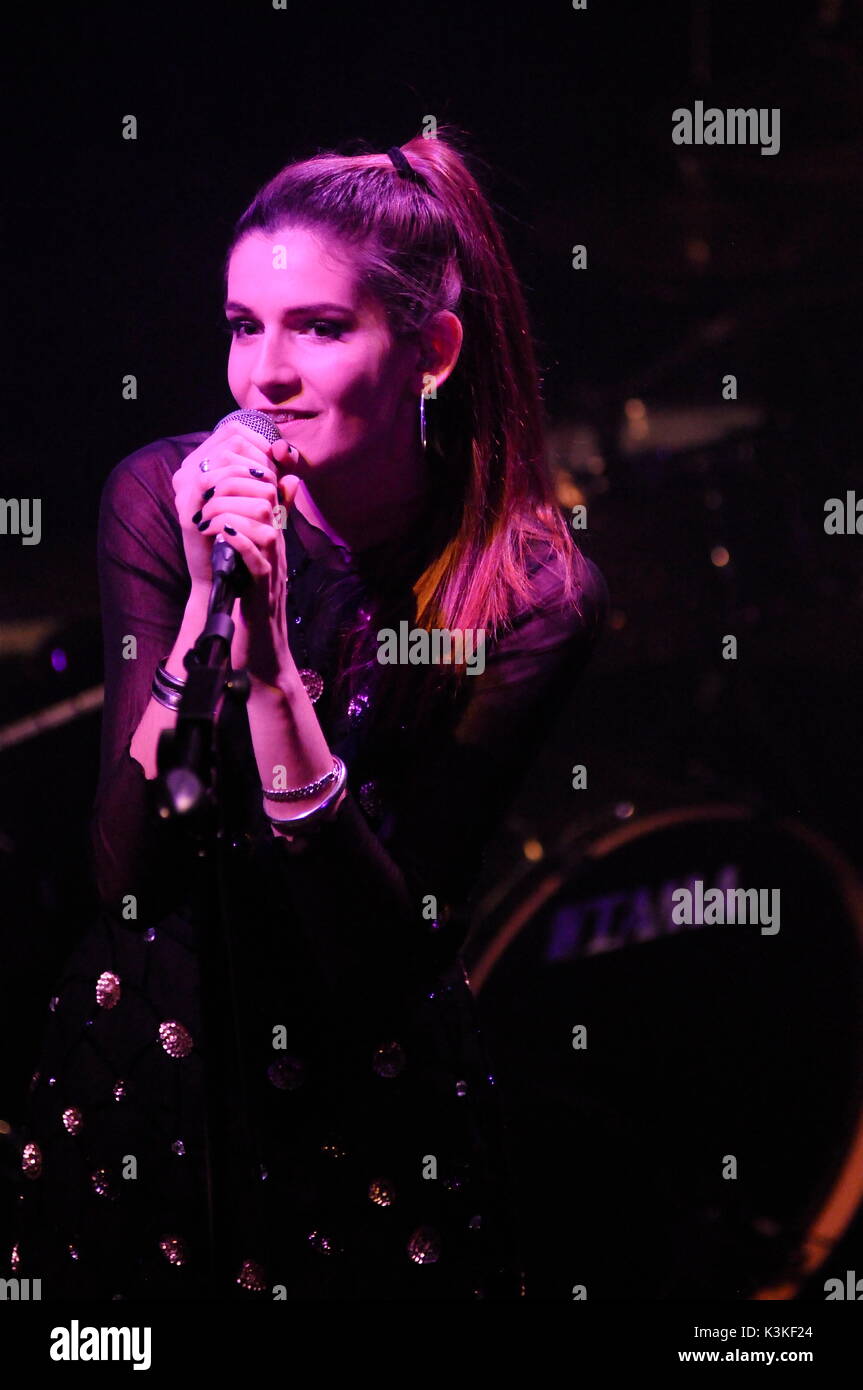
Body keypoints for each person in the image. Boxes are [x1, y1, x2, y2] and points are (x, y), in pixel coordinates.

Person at [9, 130, 608, 1300]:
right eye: (243, 326)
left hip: (363, 1118)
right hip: (145, 1083)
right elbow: (123, 874)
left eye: (319, 329)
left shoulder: (528, 591)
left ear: (429, 352)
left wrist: (275, 669)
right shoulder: (156, 496)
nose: (261, 377)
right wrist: (202, 607)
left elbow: (377, 956)